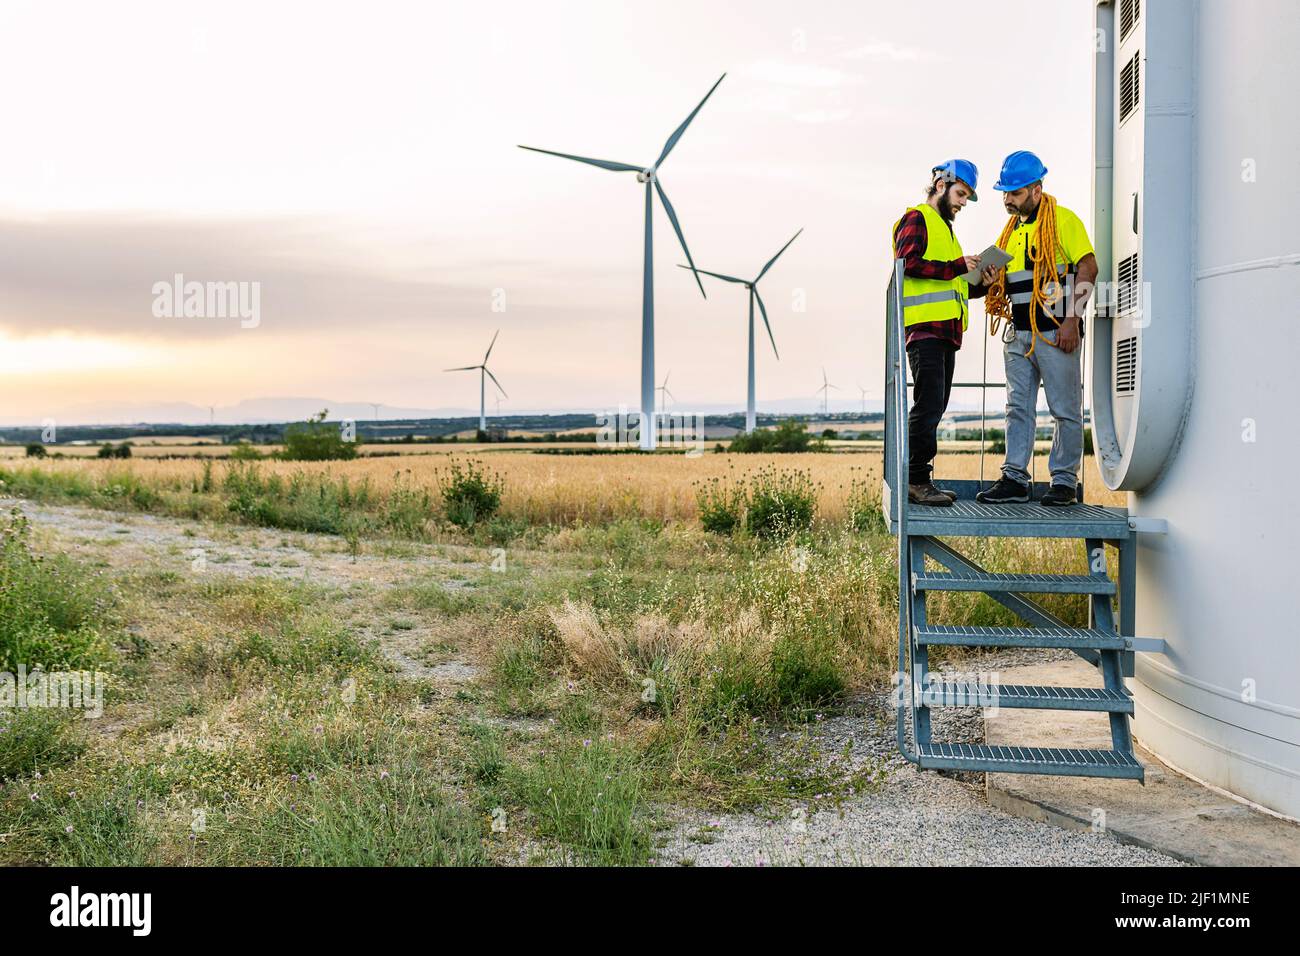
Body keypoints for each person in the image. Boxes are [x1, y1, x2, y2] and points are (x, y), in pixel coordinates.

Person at [975, 150, 1098, 507]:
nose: (1007, 200)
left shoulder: (1064, 220)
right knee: (1017, 407)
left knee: (1064, 408)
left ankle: (1063, 482)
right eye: (1004, 193)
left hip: (1057, 332)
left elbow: (1089, 269)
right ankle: (1014, 478)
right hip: (1018, 333)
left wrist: (1072, 320)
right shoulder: (1010, 233)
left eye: (1014, 193)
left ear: (1036, 189)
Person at [892, 159, 997, 506]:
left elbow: (954, 285)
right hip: (924, 332)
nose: (963, 202)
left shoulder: (947, 232)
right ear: (941, 184)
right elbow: (907, 263)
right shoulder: (917, 219)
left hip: (946, 334)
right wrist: (956, 266)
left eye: (966, 197)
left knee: (934, 407)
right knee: (927, 407)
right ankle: (915, 481)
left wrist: (981, 283)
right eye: (961, 194)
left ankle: (922, 479)